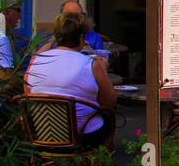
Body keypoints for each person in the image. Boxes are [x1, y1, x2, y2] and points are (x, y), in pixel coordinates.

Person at [24, 11, 117, 147]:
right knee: (109, 116)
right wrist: (103, 70)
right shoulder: (90, 64)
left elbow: (28, 95)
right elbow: (109, 101)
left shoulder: (35, 61)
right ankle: (100, 164)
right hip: (82, 137)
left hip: (42, 133)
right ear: (81, 38)